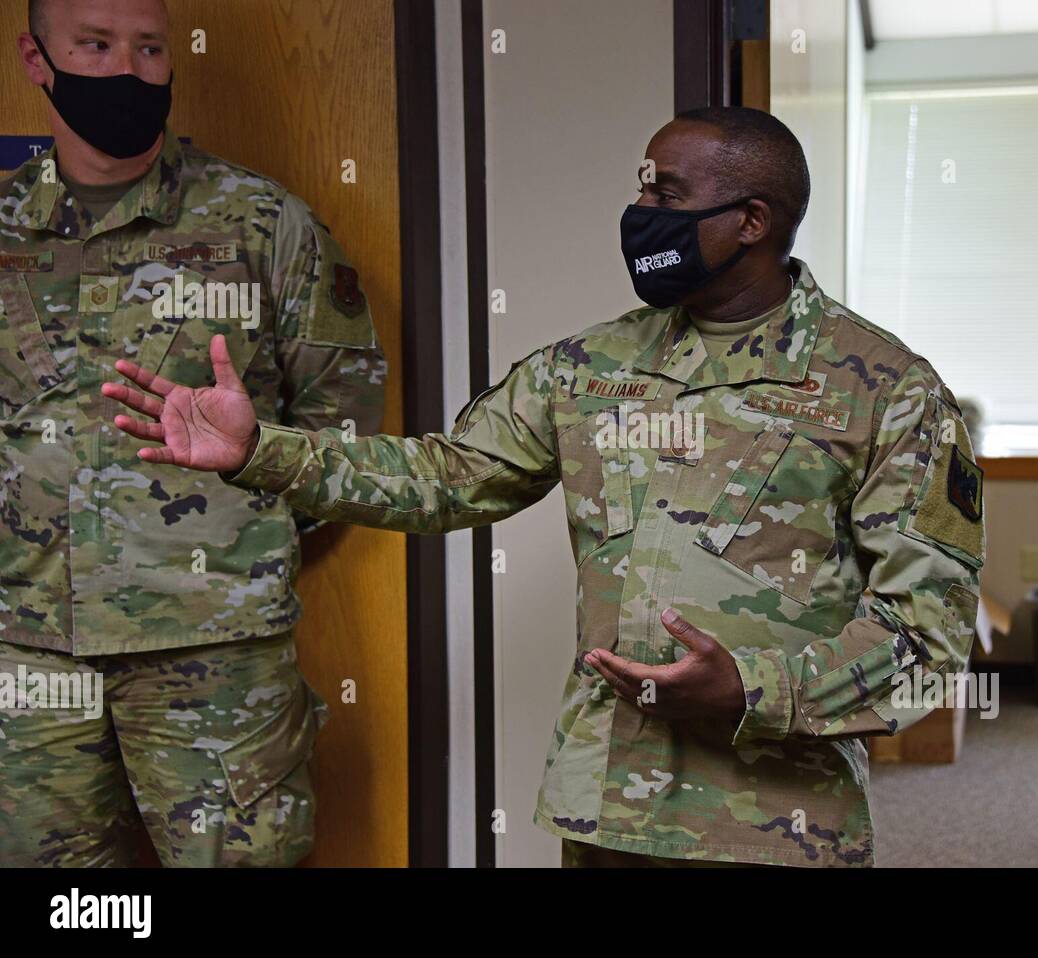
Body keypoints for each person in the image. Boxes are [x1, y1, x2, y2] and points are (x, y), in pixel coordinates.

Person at [107, 106, 984, 867]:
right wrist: (262, 448)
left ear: (751, 219)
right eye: (640, 188)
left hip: (780, 829)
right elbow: (446, 478)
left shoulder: (886, 389)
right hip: (608, 810)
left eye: (667, 196)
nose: (640, 213)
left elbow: (925, 640)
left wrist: (753, 689)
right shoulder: (588, 367)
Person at [0, 0, 386, 866]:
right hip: (23, 649)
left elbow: (344, 420)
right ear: (37, 58)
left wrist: (236, 541)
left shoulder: (261, 223)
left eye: (148, 48)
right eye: (94, 47)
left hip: (217, 649)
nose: (127, 70)